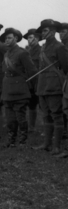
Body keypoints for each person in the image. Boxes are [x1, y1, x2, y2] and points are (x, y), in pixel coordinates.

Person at [33, 19, 68, 155]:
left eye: (45, 30)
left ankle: (57, 146)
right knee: (46, 114)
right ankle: (46, 144)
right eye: (42, 31)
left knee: (57, 115)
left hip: (54, 85)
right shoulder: (42, 47)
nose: (43, 33)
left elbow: (65, 67)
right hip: (42, 85)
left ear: (53, 32)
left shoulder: (59, 47)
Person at [0, 28, 37, 147]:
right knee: (10, 117)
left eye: (9, 37)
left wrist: (30, 87)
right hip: (7, 88)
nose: (7, 40)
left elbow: (32, 71)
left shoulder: (22, 53)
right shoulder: (6, 54)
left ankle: (22, 141)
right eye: (5, 38)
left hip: (19, 88)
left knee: (20, 116)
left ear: (16, 39)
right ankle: (11, 140)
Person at [24, 28, 42, 134]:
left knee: (42, 105)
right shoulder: (26, 51)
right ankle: (31, 126)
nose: (30, 40)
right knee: (31, 103)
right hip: (28, 80)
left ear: (38, 38)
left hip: (38, 80)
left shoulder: (41, 50)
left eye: (33, 37)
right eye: (29, 37)